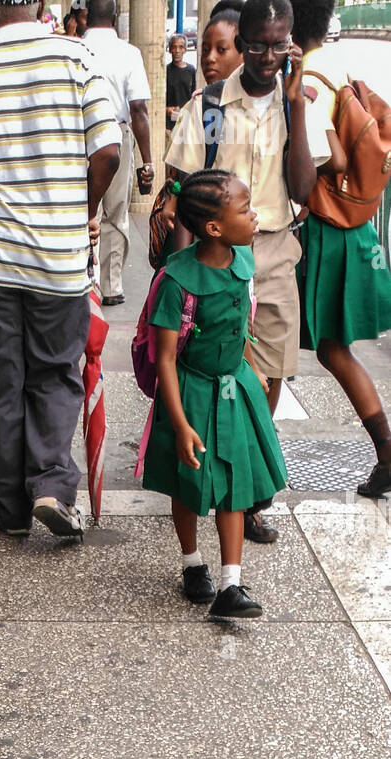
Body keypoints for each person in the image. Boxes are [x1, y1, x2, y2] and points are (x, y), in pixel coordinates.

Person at [0, 1, 120, 539]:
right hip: (57, 259)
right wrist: (81, 210)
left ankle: (11, 508)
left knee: (2, 383)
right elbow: (108, 151)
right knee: (54, 375)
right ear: (41, 4)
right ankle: (50, 486)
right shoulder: (76, 55)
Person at [166, 0, 316, 545]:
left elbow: (303, 190)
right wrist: (178, 277)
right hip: (212, 261)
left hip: (273, 252)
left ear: (292, 42)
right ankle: (205, 478)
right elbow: (181, 192)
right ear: (242, 39)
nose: (268, 56)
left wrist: (296, 105)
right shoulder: (207, 107)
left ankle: (248, 489)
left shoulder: (299, 103)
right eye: (256, 44)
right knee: (206, 376)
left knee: (266, 378)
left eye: (280, 44)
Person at [142, 171, 287, 619]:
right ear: (214, 228)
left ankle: (231, 585)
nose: (254, 215)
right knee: (187, 486)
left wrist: (253, 366)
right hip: (192, 393)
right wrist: (181, 422)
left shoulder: (243, 260)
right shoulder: (177, 280)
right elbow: (165, 357)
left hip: (234, 387)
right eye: (244, 210)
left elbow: (240, 322)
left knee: (235, 489)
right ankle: (191, 564)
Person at [292, 0, 391, 499]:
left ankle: (255, 478)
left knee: (299, 348)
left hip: (325, 226)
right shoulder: (334, 64)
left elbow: (325, 153)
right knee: (333, 349)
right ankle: (386, 450)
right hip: (354, 221)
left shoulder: (307, 76)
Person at [80, 0, 154, 307]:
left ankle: (85, 282)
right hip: (117, 134)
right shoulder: (129, 54)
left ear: (85, 15)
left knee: (84, 211)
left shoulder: (75, 50)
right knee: (115, 213)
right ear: (115, 16)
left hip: (80, 135)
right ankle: (110, 286)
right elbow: (138, 108)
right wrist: (147, 161)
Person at [200, 6, 243, 86]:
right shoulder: (200, 98)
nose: (210, 58)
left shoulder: (264, 97)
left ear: (243, 54)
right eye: (205, 50)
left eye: (221, 49)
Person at [166, 34, 196, 132]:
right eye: (174, 47)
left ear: (185, 50)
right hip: (170, 120)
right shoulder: (166, 71)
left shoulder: (191, 70)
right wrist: (167, 110)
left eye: (181, 47)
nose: (177, 51)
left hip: (186, 117)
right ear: (170, 50)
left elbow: (193, 94)